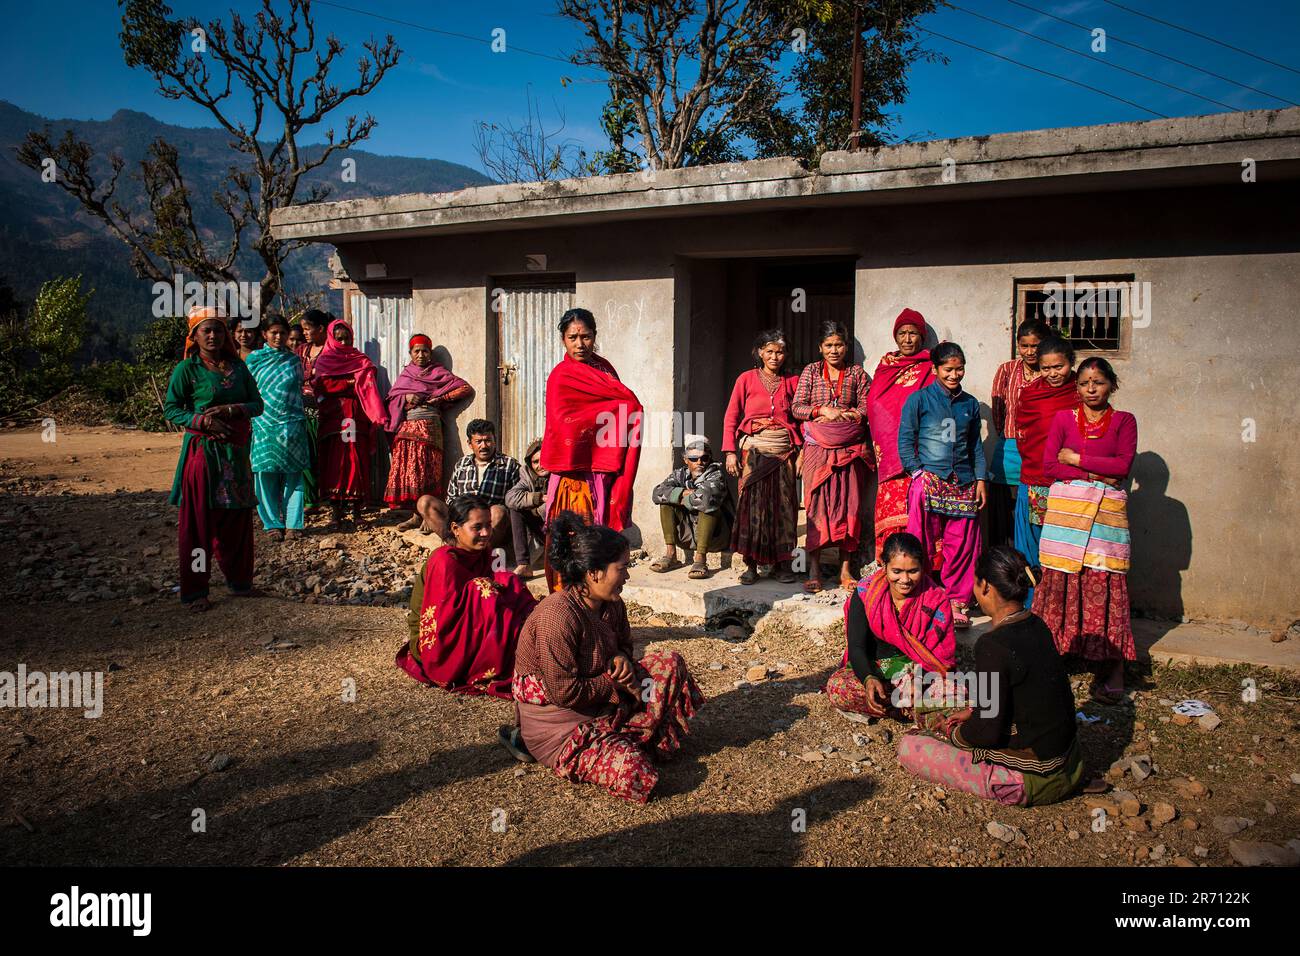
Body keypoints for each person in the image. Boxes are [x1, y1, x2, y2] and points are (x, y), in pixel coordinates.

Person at [512, 512, 703, 804]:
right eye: (622, 568)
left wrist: (620, 658)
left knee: (670, 664)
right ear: (594, 573)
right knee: (636, 773)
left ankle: (625, 732)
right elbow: (563, 692)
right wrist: (615, 684)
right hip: (564, 725)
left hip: (603, 702)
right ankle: (625, 738)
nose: (627, 576)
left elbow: (624, 645)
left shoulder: (612, 604)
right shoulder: (556, 617)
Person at [895, 546, 1085, 807]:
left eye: (975, 583)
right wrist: (977, 711)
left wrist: (955, 734)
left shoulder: (993, 645)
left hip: (1037, 778)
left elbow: (988, 732)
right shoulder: (1038, 625)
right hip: (1071, 761)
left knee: (910, 747)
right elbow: (1019, 693)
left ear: (985, 587)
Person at [1034, 357, 1137, 704]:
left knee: (1103, 582)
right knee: (1061, 584)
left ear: (1112, 385)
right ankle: (1054, 661)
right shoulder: (1064, 419)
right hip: (1068, 519)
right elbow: (1049, 465)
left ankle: (1112, 668)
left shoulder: (1124, 421)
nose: (1091, 389)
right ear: (1076, 387)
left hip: (1105, 522)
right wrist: (1096, 475)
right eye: (1083, 383)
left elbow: (1122, 466)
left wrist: (1076, 460)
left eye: (1098, 382)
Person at [163, 305, 264, 611]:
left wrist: (232, 410)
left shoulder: (239, 368)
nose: (212, 335)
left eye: (218, 330)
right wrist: (202, 421)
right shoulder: (188, 370)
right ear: (193, 335)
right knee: (198, 523)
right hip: (202, 455)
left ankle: (240, 583)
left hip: (235, 454)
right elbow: (172, 408)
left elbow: (256, 404)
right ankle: (195, 591)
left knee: (237, 519)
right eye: (206, 330)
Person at [540, 307, 643, 590]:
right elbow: (565, 424)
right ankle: (568, 602)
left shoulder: (605, 368)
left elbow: (624, 409)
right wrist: (608, 414)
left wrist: (614, 414)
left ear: (594, 337)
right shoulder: (561, 377)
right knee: (575, 539)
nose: (579, 343)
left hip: (603, 472)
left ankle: (600, 603)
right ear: (563, 339)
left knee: (600, 538)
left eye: (585, 336)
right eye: (572, 337)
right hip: (573, 478)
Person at [396, 495, 537, 698]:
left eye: (489, 525)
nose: (486, 533)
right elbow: (444, 620)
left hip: (468, 632)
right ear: (455, 528)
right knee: (481, 589)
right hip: (436, 643)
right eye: (477, 527)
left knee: (509, 581)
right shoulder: (444, 561)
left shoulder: (482, 553)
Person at [823, 532, 959, 728]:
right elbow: (856, 646)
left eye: (913, 571)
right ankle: (911, 710)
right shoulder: (865, 593)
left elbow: (940, 657)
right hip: (878, 672)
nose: (905, 579)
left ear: (923, 568)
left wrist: (918, 683)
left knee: (954, 693)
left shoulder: (936, 601)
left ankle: (902, 707)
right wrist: (869, 679)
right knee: (837, 686)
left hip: (919, 676)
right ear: (884, 565)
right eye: (896, 571)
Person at [896, 342, 987, 628]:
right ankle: (917, 595)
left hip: (963, 482)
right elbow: (905, 440)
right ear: (935, 369)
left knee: (961, 545)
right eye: (948, 369)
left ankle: (956, 601)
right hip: (929, 479)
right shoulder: (919, 400)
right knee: (919, 539)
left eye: (959, 369)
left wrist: (981, 479)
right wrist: (917, 473)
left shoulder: (969, 404)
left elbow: (975, 446)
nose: (954, 374)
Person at [791, 319, 873, 592]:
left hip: (849, 450)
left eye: (839, 344)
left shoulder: (858, 374)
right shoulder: (811, 372)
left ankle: (845, 570)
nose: (834, 350)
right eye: (828, 345)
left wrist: (850, 414)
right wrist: (822, 411)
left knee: (849, 507)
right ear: (820, 347)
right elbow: (797, 408)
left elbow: (867, 406)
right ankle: (813, 569)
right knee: (816, 506)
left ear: (846, 346)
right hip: (817, 449)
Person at [723, 328, 800, 585]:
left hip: (783, 451)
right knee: (751, 507)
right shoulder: (745, 379)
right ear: (759, 352)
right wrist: (730, 453)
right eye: (769, 351)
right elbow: (731, 416)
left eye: (780, 352)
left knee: (784, 508)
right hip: (753, 451)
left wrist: (802, 454)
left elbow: (800, 421)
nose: (775, 357)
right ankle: (751, 565)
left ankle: (783, 564)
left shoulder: (793, 382)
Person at [865, 308, 936, 561]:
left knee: (920, 512)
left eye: (913, 333)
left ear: (922, 337)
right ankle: (889, 563)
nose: (907, 339)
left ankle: (921, 564)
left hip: (921, 458)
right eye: (902, 333)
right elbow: (875, 405)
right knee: (891, 510)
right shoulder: (886, 366)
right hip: (889, 456)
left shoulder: (930, 366)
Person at [383, 334, 474, 530]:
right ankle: (415, 515)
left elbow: (465, 388)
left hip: (430, 426)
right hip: (407, 427)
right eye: (417, 351)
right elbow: (391, 399)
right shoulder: (406, 375)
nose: (421, 355)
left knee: (427, 469)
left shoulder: (438, 372)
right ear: (410, 354)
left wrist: (439, 398)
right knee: (409, 471)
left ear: (430, 354)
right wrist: (406, 397)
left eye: (425, 351)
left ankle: (428, 515)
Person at [312, 318, 388, 530]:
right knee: (336, 463)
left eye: (347, 338)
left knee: (356, 460)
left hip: (355, 418)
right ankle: (335, 512)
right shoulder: (325, 360)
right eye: (339, 339)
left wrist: (347, 384)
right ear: (331, 338)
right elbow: (323, 385)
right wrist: (350, 383)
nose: (344, 343)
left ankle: (356, 511)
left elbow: (367, 383)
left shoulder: (360, 359)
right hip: (334, 420)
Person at [1015, 336, 1079, 581]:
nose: (1053, 374)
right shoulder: (1031, 395)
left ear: (1071, 363)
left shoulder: (1080, 392)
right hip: (1035, 479)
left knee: (1067, 545)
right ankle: (1033, 604)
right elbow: (1024, 435)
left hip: (1071, 482)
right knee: (1033, 548)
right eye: (1046, 368)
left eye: (1059, 367)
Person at [244, 314, 310, 541]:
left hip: (292, 426)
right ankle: (271, 523)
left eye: (282, 332)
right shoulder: (254, 360)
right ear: (264, 334)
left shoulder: (293, 361)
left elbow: (300, 390)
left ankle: (293, 524)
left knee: (294, 475)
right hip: (264, 424)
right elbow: (248, 391)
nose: (279, 337)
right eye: (274, 332)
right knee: (264, 475)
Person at [988, 318, 1049, 547]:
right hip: (1009, 451)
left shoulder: (1051, 372)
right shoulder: (1007, 370)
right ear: (1017, 345)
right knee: (1005, 516)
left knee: (1035, 518)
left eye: (1036, 345)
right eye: (1025, 345)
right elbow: (998, 412)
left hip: (1041, 456)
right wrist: (1011, 436)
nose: (1030, 351)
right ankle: (1004, 574)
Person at [651, 437, 734, 579]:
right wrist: (682, 493)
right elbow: (657, 493)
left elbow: (706, 501)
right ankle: (671, 555)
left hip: (716, 538)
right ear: (686, 460)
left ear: (710, 459)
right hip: (689, 534)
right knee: (666, 504)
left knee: (708, 507)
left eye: (704, 458)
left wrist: (677, 497)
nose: (699, 463)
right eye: (694, 459)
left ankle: (700, 559)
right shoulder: (680, 474)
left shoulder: (716, 475)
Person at [442, 419, 519, 549]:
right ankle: (457, 547)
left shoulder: (509, 465)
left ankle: (483, 553)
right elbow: (451, 497)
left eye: (488, 440)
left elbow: (516, 499)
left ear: (495, 440)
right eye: (478, 442)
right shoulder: (461, 464)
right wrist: (464, 518)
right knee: (425, 503)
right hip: (463, 521)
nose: (484, 446)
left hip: (489, 524)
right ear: (470, 444)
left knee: (498, 511)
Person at [295, 308, 331, 511]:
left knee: (325, 454)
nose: (305, 333)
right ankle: (310, 498)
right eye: (303, 329)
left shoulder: (332, 351)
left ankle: (327, 495)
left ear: (321, 328)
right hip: (303, 408)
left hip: (327, 410)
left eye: (308, 329)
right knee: (306, 453)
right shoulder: (302, 351)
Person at [504, 437, 548, 578]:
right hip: (541, 531)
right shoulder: (527, 475)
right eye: (535, 462)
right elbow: (510, 498)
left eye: (544, 459)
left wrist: (536, 507)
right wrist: (539, 498)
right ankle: (524, 564)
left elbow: (551, 507)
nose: (540, 465)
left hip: (558, 532)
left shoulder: (560, 475)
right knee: (516, 508)